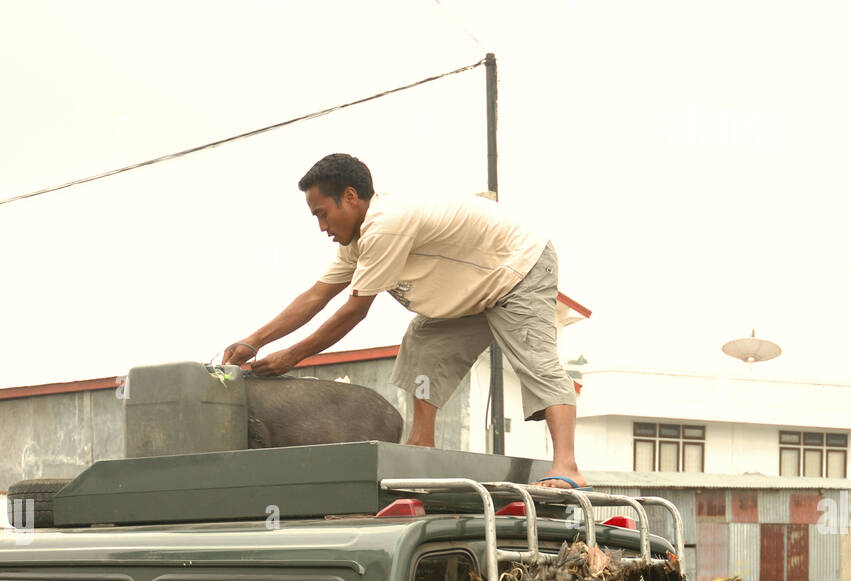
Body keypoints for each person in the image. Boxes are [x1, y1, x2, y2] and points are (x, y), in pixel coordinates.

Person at [223, 153, 586, 487]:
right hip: (478, 288)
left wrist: (292, 356)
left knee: (534, 357)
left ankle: (566, 465)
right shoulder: (356, 242)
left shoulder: (386, 225)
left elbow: (354, 310)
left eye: (321, 213)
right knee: (423, 341)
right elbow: (316, 296)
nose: (321, 226)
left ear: (350, 197)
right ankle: (422, 442)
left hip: (519, 266)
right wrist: (253, 341)